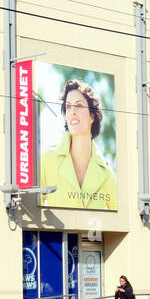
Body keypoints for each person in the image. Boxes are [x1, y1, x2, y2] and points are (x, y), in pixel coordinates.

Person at [38, 78, 117, 210]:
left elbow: (120, 223)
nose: (72, 112)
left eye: (79, 106)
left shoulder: (107, 174)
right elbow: (29, 217)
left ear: (92, 116)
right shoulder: (47, 160)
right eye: (68, 107)